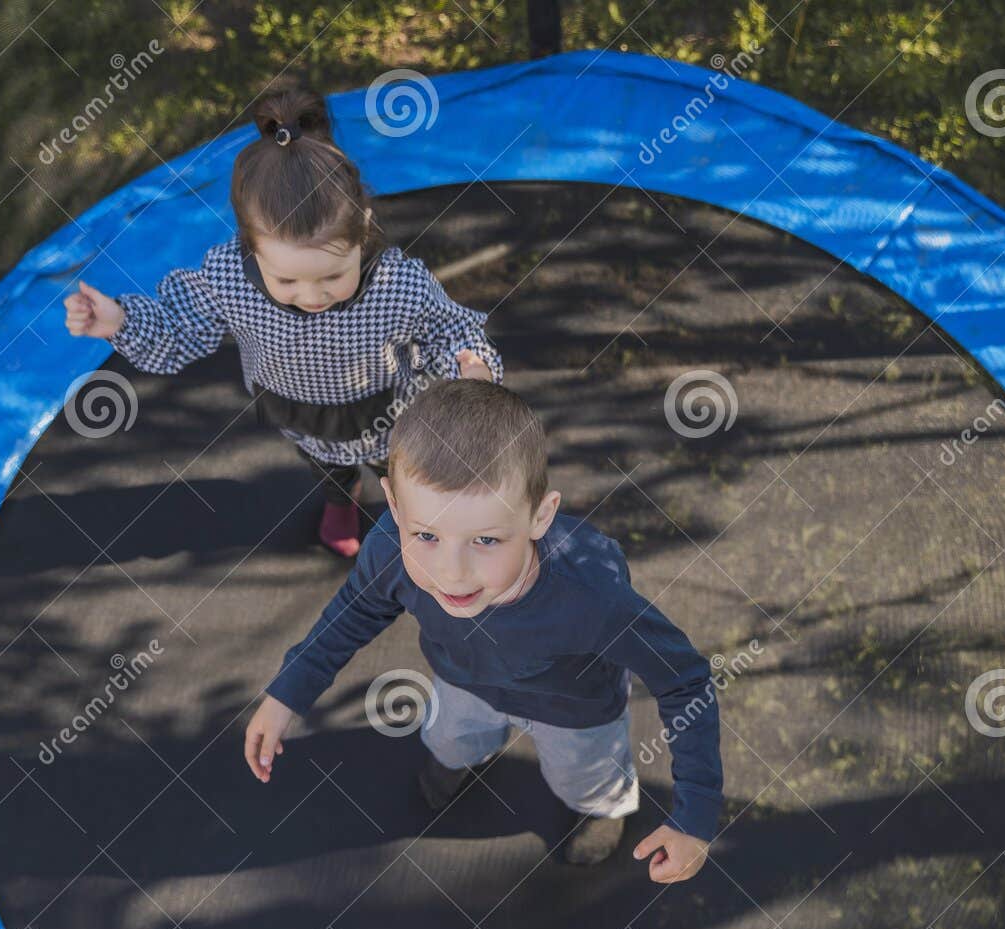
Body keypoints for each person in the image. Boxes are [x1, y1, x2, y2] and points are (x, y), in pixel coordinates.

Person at [244, 379, 722, 880]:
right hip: (462, 681)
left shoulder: (593, 598)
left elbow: (684, 680)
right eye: (426, 534)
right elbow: (352, 614)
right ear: (393, 502)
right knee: (450, 741)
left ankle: (598, 807)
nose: (451, 572)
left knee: (586, 779)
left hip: (575, 711)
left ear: (540, 516)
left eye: (486, 540)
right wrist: (289, 692)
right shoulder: (390, 549)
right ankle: (461, 759)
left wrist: (694, 817)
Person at [63, 78, 502, 556]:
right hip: (301, 415)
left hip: (390, 413)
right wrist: (120, 321)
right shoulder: (229, 278)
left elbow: (454, 330)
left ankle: (409, 517)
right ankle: (341, 498)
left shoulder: (397, 284)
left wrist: (473, 368)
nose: (311, 296)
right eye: (287, 282)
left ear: (364, 231)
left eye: (333, 276)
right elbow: (178, 327)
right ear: (252, 249)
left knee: (407, 475)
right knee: (325, 467)